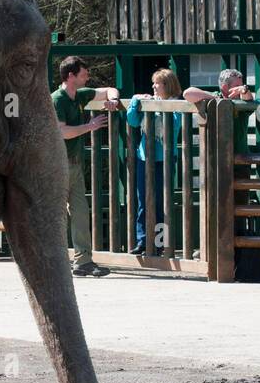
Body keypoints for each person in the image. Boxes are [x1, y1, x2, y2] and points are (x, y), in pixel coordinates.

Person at [52, 56, 119, 277]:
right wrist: (90, 126)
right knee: (56, 215)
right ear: (70, 76)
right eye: (83, 74)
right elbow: (62, 132)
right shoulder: (57, 100)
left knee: (81, 212)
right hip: (56, 165)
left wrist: (114, 100)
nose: (87, 77)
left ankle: (83, 261)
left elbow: (109, 89)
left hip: (75, 165)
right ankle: (54, 261)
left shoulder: (79, 95)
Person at [126, 68, 186, 256]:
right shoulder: (148, 103)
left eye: (157, 83)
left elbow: (174, 125)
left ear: (167, 85)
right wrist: (136, 100)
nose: (153, 87)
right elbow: (133, 121)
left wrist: (159, 109)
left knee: (162, 203)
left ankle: (161, 242)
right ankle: (143, 241)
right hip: (145, 158)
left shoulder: (176, 105)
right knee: (143, 201)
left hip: (164, 160)